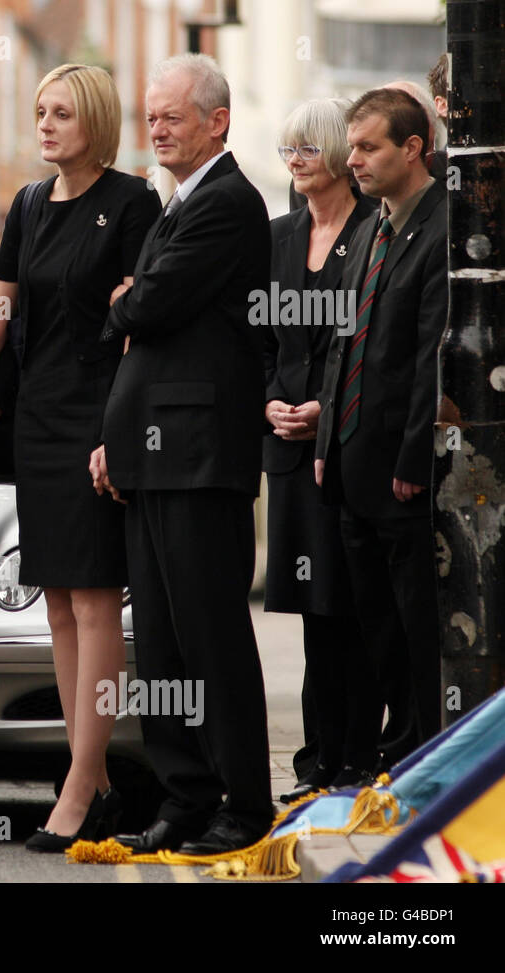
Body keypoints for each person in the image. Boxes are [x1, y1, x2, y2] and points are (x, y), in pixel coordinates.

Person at [0, 65, 159, 851]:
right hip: (36, 424)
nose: (45, 124)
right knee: (58, 604)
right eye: (39, 111)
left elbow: (138, 329)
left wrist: (119, 432)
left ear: (94, 121)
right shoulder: (28, 206)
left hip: (99, 420)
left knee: (97, 601)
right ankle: (89, 774)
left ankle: (78, 785)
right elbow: (0, 324)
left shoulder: (134, 203)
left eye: (60, 112)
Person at [91, 53, 274, 855]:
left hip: (201, 456)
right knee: (162, 641)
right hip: (154, 457)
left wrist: (131, 298)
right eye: (151, 116)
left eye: (171, 116)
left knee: (211, 637)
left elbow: (153, 304)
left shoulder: (227, 202)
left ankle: (243, 800)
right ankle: (184, 797)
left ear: (217, 122)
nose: (156, 129)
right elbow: (137, 325)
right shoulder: (176, 206)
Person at [314, 87, 447, 768]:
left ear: (414, 147)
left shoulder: (445, 230)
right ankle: (401, 751)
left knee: (415, 623)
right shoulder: (371, 226)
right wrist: (323, 439)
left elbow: (431, 355)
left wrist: (413, 457)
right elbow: (345, 336)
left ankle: (430, 756)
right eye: (351, 145)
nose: (352, 159)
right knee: (377, 627)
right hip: (349, 459)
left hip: (401, 471)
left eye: (368, 147)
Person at [263, 99, 379, 802]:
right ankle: (315, 763)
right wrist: (267, 402)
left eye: (308, 146)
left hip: (345, 445)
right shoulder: (276, 237)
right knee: (312, 608)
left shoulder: (372, 231)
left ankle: (358, 756)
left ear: (340, 153)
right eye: (288, 149)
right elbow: (255, 342)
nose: (296, 159)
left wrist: (325, 411)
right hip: (286, 448)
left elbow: (366, 344)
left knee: (354, 607)